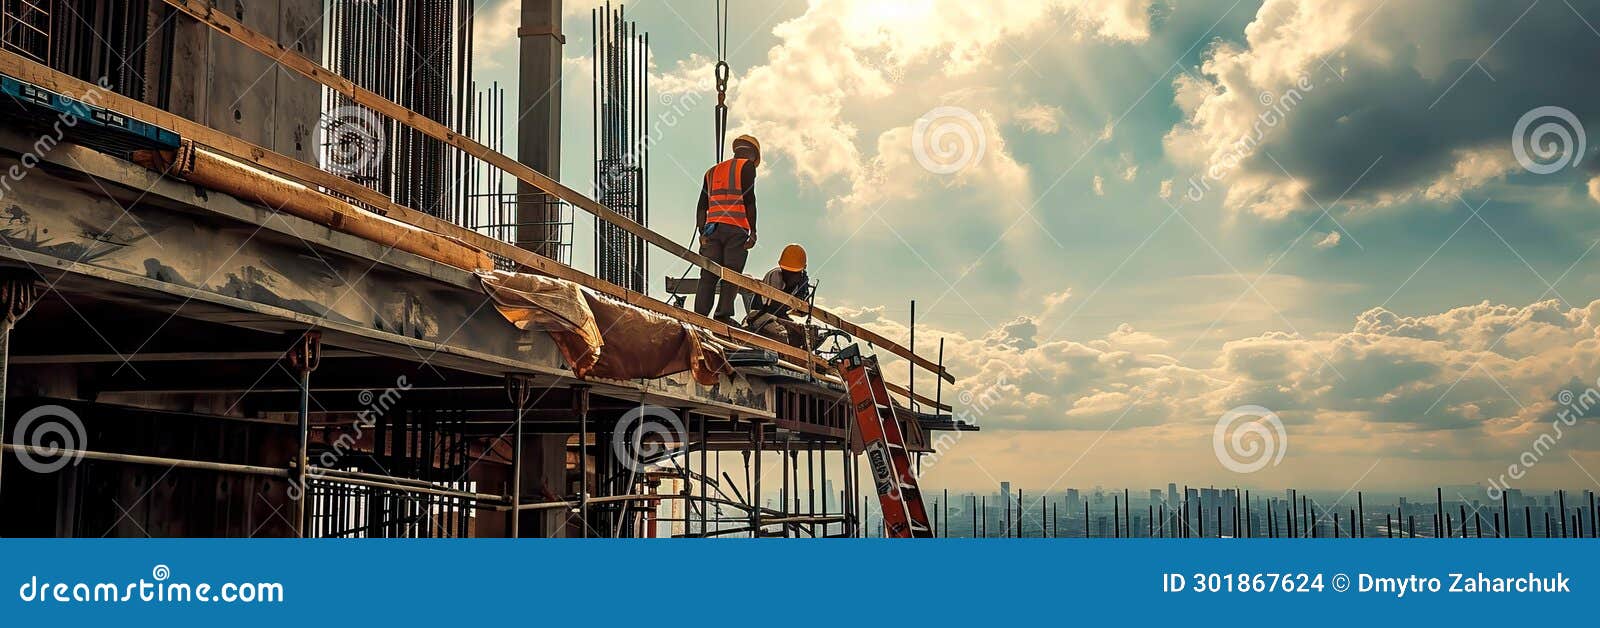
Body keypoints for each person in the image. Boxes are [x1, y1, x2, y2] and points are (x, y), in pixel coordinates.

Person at [693, 135, 761, 323]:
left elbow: (701, 206)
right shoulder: (745, 166)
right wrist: (753, 231)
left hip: (712, 230)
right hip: (736, 229)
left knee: (708, 274)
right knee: (731, 275)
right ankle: (722, 317)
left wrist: (701, 233)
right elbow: (749, 200)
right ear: (753, 154)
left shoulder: (712, 171)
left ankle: (699, 317)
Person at [744, 244, 811, 348]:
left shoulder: (799, 282)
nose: (789, 275)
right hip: (760, 316)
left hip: (776, 317)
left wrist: (802, 292)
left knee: (802, 337)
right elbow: (773, 308)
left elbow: (803, 312)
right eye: (786, 271)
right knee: (785, 338)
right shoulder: (775, 275)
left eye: (793, 273)